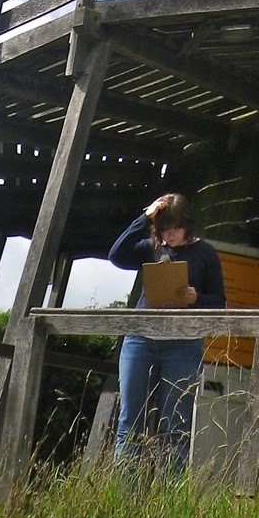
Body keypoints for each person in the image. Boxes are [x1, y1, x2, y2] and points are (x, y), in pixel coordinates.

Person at [108, 193, 225, 474]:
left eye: (175, 228)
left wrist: (196, 298)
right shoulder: (151, 248)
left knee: (175, 427)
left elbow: (219, 302)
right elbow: (117, 255)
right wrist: (145, 217)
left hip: (182, 345)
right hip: (141, 340)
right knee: (130, 423)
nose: (170, 235)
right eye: (164, 229)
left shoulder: (205, 252)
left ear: (187, 225)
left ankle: (169, 494)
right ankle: (124, 493)